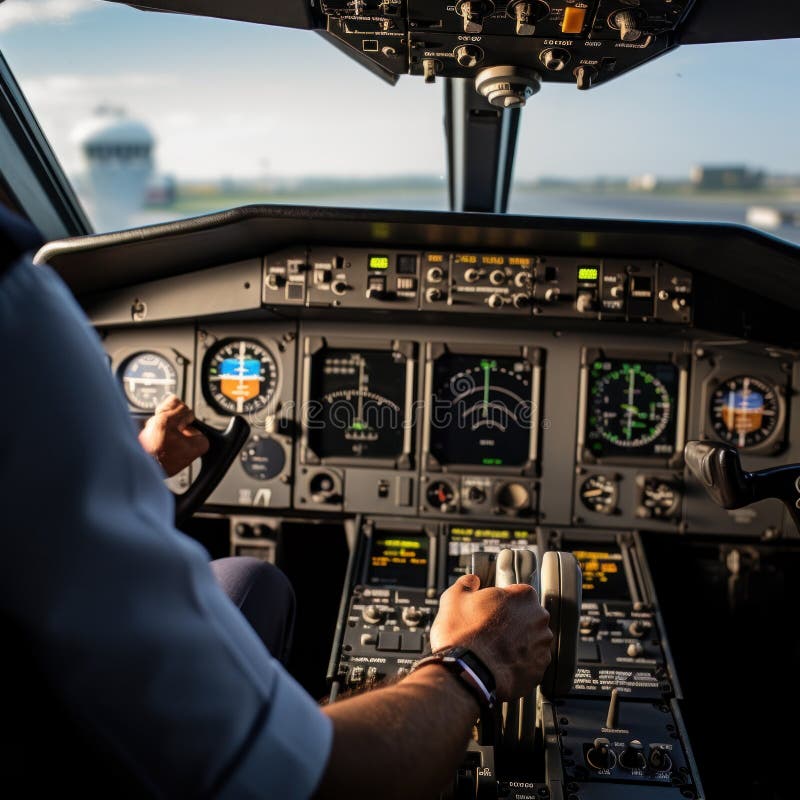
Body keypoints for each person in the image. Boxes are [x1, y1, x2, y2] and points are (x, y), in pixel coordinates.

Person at [0, 206, 553, 799]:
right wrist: (476, 661)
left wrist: (141, 467)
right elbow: (333, 782)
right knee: (255, 581)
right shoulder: (18, 307)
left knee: (251, 577)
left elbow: (36, 504)